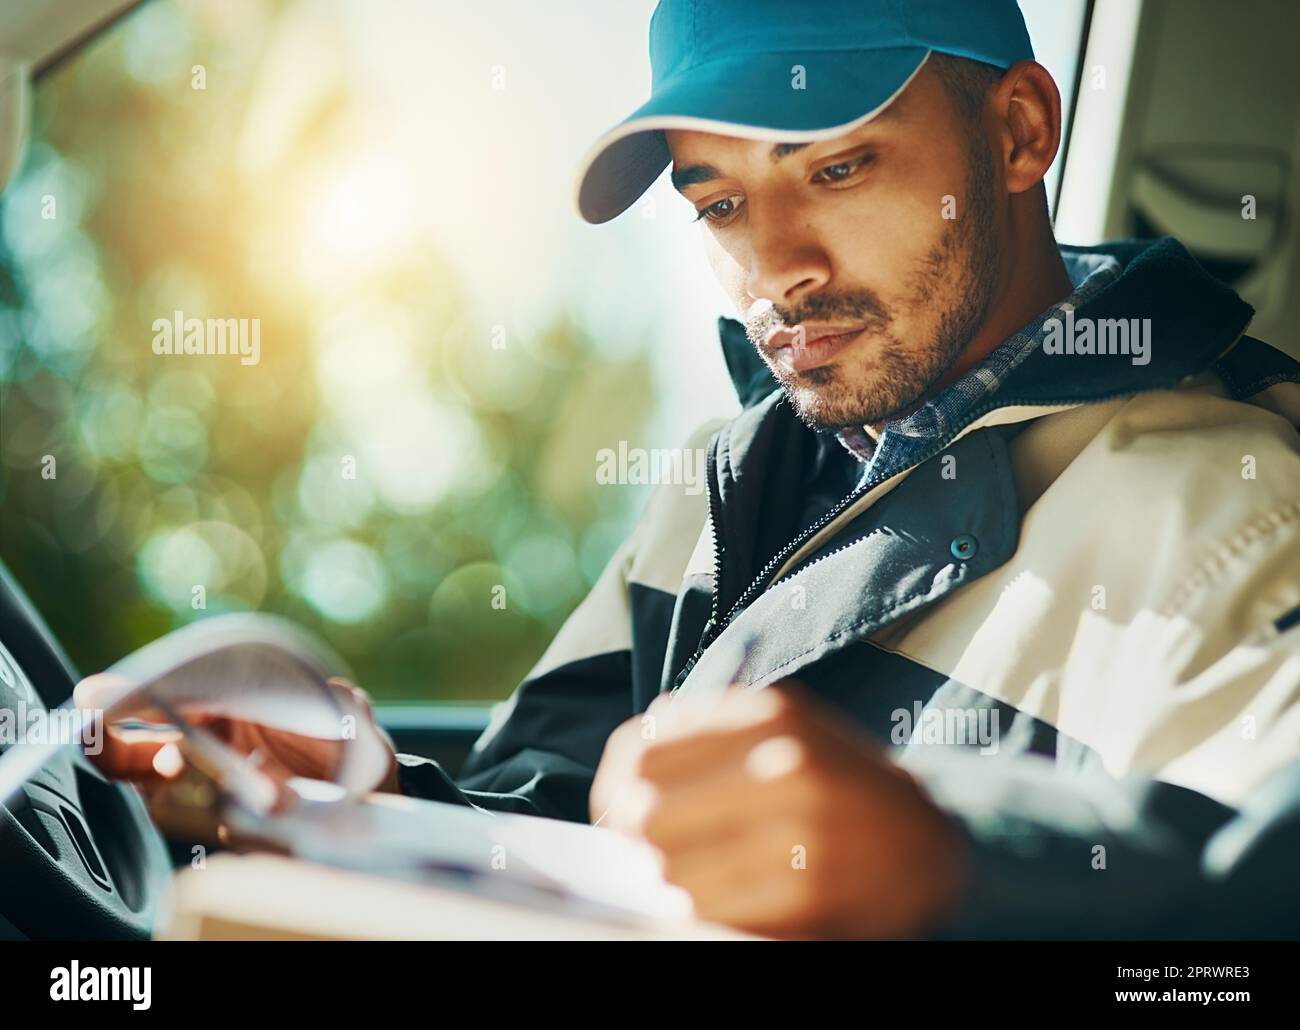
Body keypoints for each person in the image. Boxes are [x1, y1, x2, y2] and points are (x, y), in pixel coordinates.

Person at [79, 0, 1300, 939]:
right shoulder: (728, 477)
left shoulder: (1233, 498)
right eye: (717, 205)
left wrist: (955, 864)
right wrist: (375, 800)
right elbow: (561, 834)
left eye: (832, 168)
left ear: (1018, 131)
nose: (775, 267)